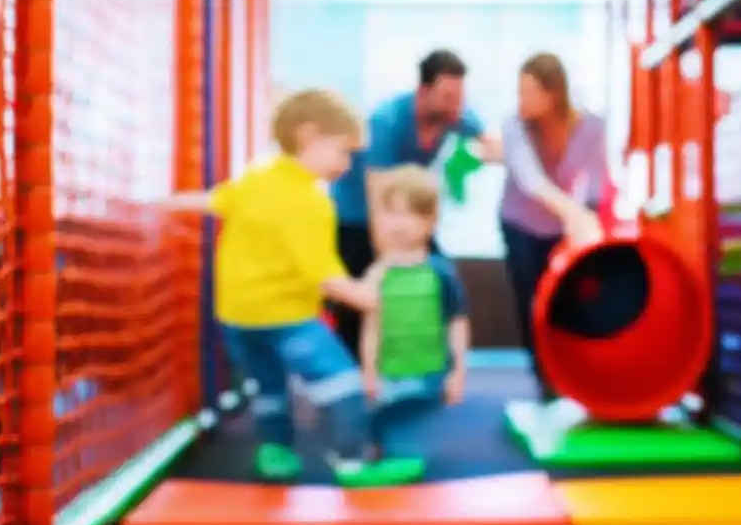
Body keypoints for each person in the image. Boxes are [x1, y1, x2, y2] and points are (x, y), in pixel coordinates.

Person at [170, 88, 382, 483]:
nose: (347, 164)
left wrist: (163, 203)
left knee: (268, 387)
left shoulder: (255, 179)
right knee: (342, 383)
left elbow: (213, 201)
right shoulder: (311, 201)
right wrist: (367, 298)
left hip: (237, 315)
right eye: (342, 151)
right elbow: (322, 273)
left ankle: (275, 451)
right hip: (288, 315)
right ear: (308, 136)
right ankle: (354, 459)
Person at [329, 49, 499, 359]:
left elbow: (493, 146)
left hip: (399, 211)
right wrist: (389, 263)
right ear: (424, 91)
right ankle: (357, 375)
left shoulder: (455, 117)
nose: (456, 105)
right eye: (448, 96)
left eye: (460, 96)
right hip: (356, 216)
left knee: (439, 277)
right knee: (361, 299)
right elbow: (379, 200)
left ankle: (430, 363)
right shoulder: (386, 122)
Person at [499, 52, 609, 402]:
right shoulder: (514, 126)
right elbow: (531, 181)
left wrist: (587, 219)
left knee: (567, 298)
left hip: (560, 227)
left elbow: (596, 181)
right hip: (519, 221)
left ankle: (575, 373)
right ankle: (544, 379)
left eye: (529, 92)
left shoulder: (591, 127)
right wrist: (575, 214)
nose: (522, 101)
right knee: (530, 300)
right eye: (519, 92)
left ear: (553, 93)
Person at [360, 166, 470, 453]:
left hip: (431, 373)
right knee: (385, 433)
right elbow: (371, 328)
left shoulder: (440, 272)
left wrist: (458, 371)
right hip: (389, 376)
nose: (399, 224)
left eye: (410, 214)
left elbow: (456, 322)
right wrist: (369, 373)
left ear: (430, 221)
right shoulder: (377, 276)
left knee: (418, 438)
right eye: (391, 213)